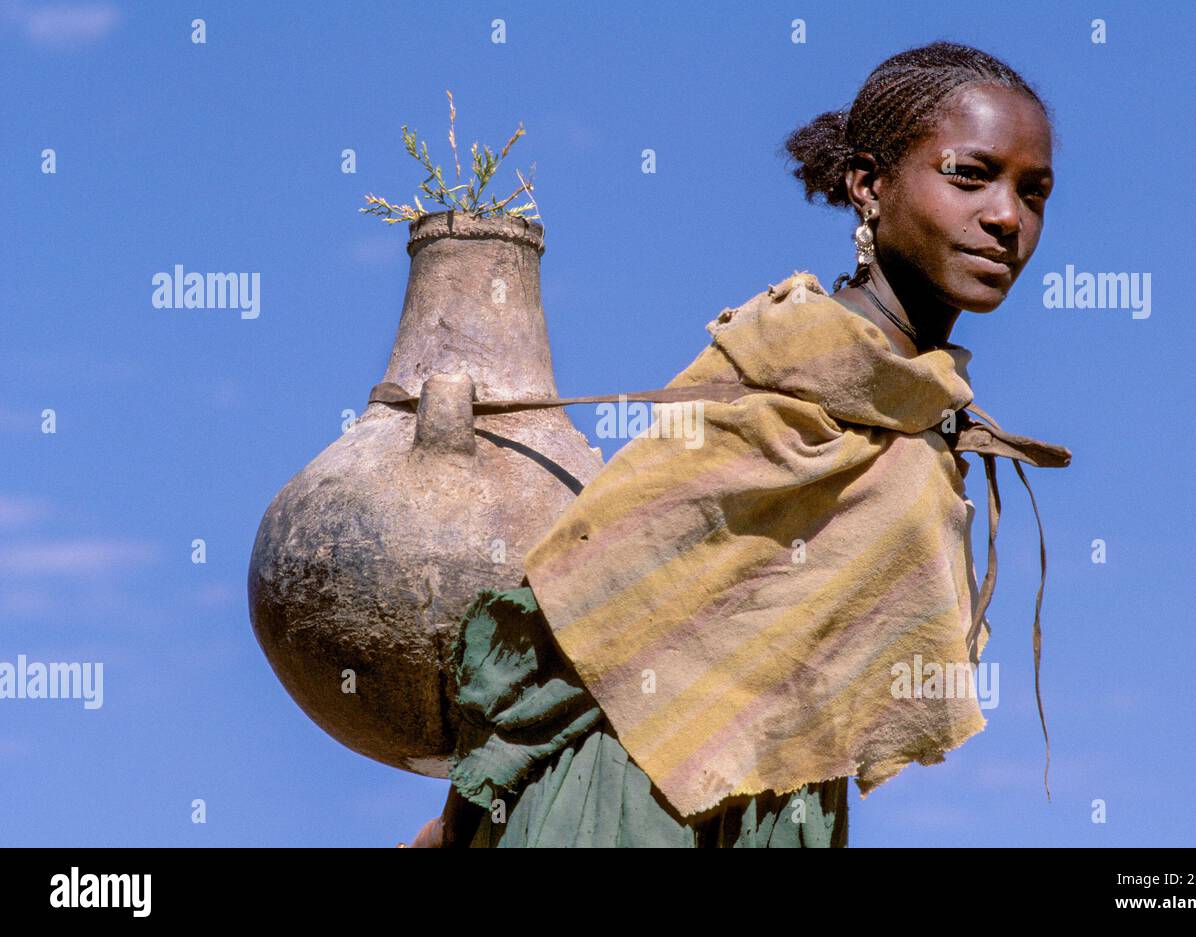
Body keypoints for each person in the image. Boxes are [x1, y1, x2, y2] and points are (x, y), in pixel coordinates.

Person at [404, 39, 1059, 848]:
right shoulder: (776, 374)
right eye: (970, 175)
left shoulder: (926, 419)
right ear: (868, 184)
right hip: (626, 802)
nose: (1006, 217)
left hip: (779, 813)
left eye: (1034, 192)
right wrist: (463, 820)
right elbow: (582, 613)